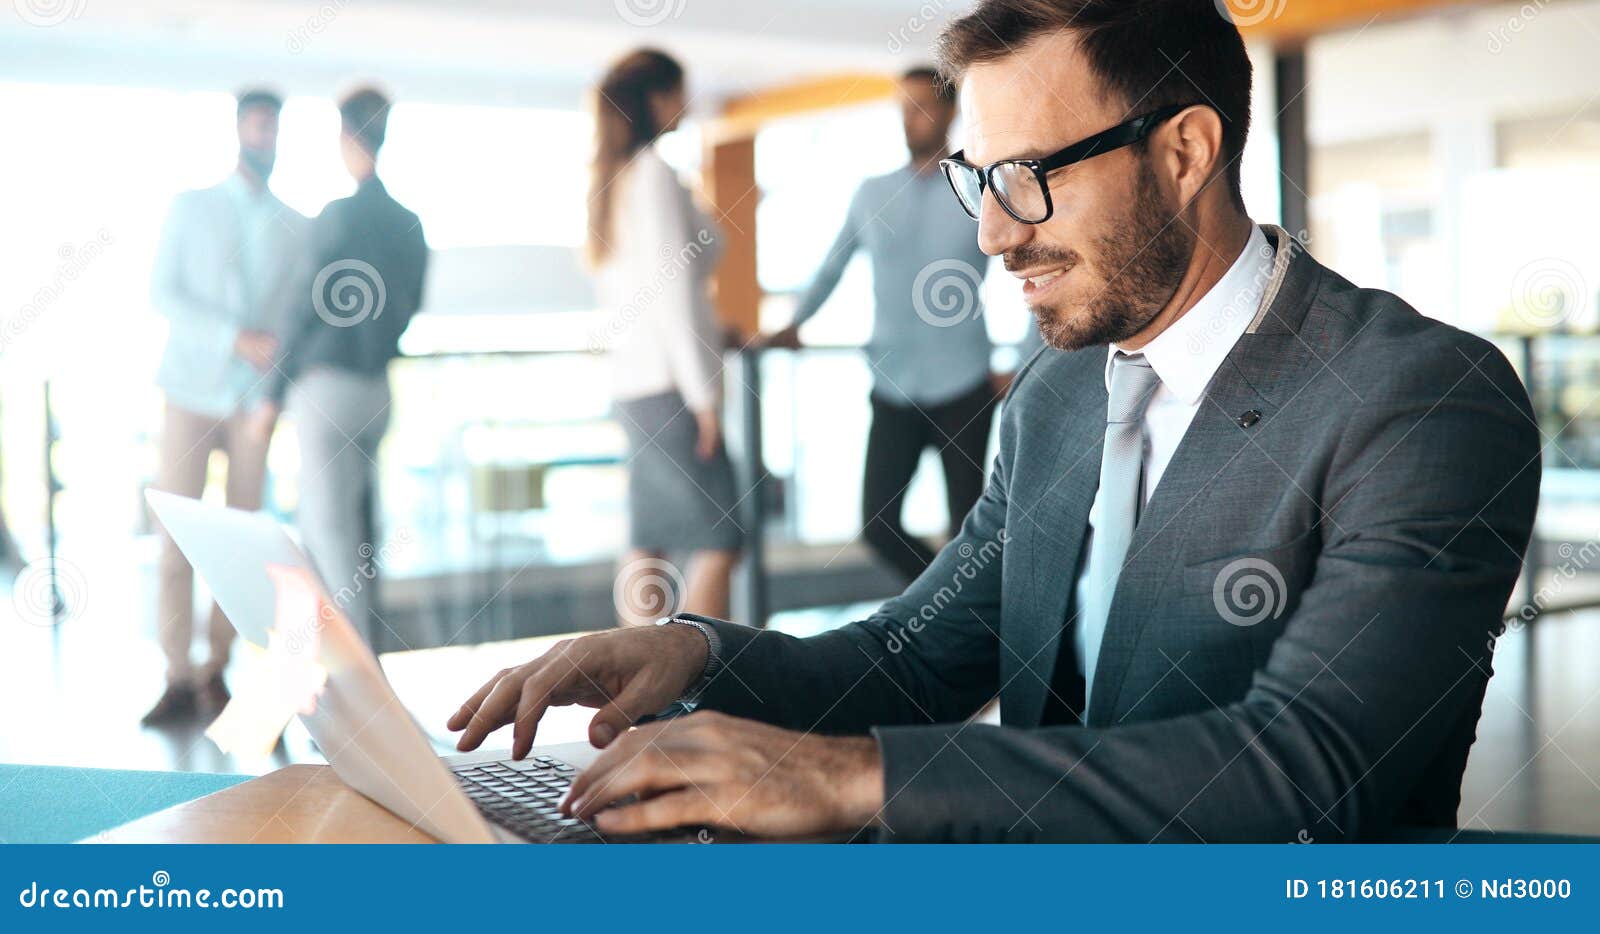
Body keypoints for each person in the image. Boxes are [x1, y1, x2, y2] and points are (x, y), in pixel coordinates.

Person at [447, 0, 1540, 843]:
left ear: (1184, 152)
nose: (993, 236)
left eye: (1026, 178)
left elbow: (1305, 772)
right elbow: (915, 658)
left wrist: (854, 779)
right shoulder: (1057, 394)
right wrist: (688, 653)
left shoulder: (1422, 401)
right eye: (980, 181)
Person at [764, 68, 999, 585]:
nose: (908, 118)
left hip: (964, 386)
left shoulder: (979, 189)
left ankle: (967, 620)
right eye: (902, 107)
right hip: (892, 385)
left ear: (949, 112)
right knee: (879, 526)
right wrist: (793, 325)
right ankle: (944, 604)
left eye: (920, 107)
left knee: (969, 532)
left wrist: (1021, 363)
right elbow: (832, 266)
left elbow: (1032, 265)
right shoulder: (872, 193)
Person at [144, 88, 308, 725]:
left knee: (240, 544)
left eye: (274, 128)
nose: (265, 137)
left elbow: (295, 317)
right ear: (240, 128)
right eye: (258, 125)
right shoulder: (192, 206)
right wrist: (231, 337)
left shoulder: (295, 225)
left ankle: (216, 669)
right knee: (175, 539)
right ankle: (176, 676)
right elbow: (163, 294)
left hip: (251, 405)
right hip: (189, 393)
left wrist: (273, 394)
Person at [264, 87, 427, 648]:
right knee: (357, 535)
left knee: (327, 534)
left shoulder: (336, 217)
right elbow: (410, 307)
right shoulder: (409, 222)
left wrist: (269, 395)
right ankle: (356, 663)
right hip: (377, 390)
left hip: (327, 389)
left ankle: (351, 673)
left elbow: (301, 308)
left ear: (346, 136)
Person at [587, 49, 742, 625]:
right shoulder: (653, 174)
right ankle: (699, 669)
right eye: (680, 91)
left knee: (648, 539)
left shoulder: (617, 179)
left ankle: (638, 669)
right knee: (722, 537)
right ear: (655, 99)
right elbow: (672, 293)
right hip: (671, 388)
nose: (687, 103)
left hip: (635, 385)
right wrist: (704, 399)